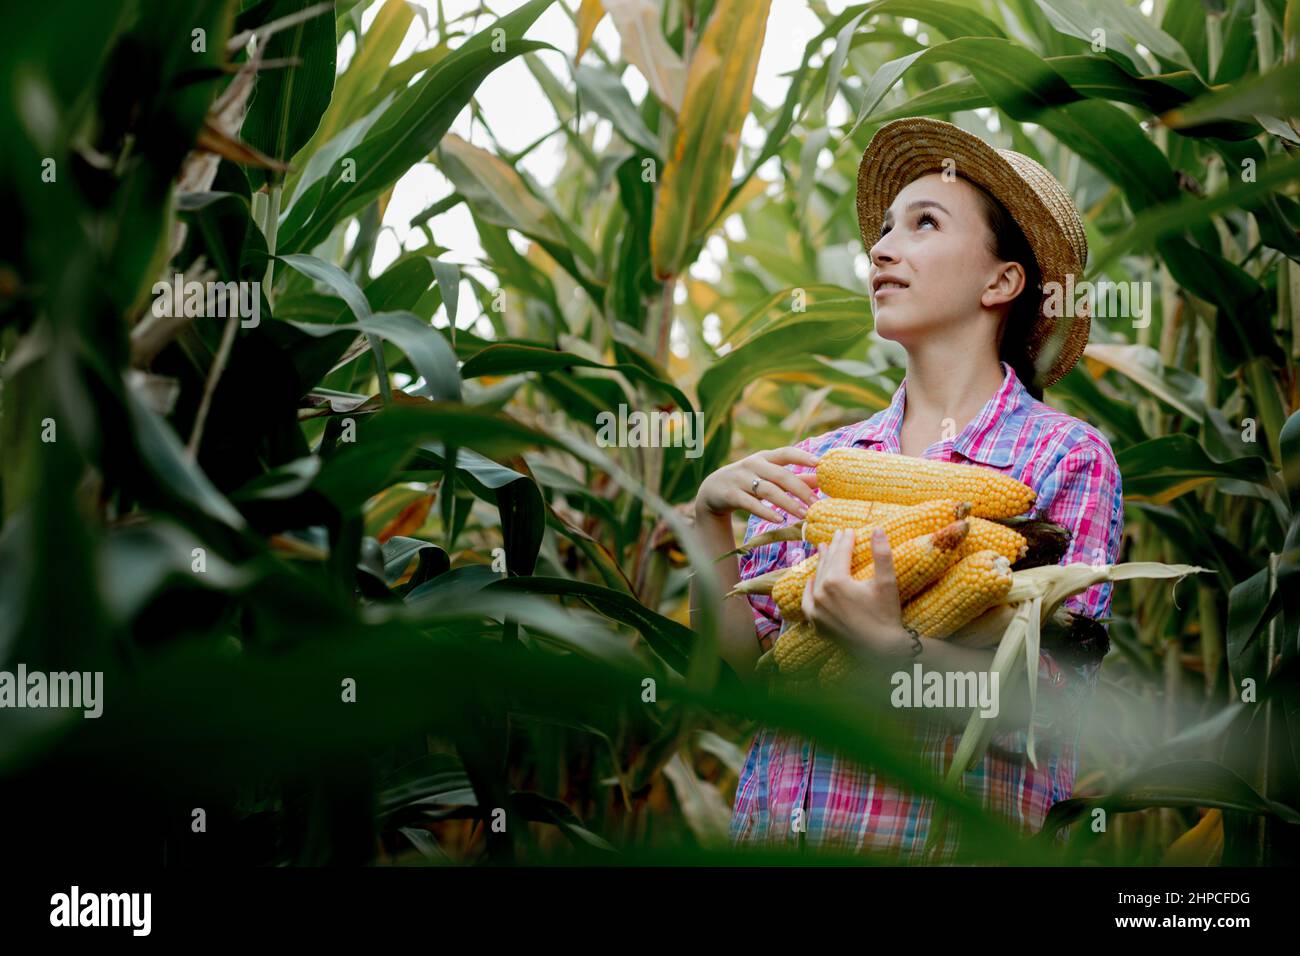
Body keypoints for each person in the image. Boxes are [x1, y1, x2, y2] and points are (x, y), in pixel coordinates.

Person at [690, 117, 1125, 863]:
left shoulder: (1064, 458)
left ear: (1002, 280)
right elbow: (758, 677)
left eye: (924, 224)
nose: (882, 249)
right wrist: (706, 520)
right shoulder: (822, 460)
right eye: (884, 230)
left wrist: (894, 649)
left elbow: (1048, 705)